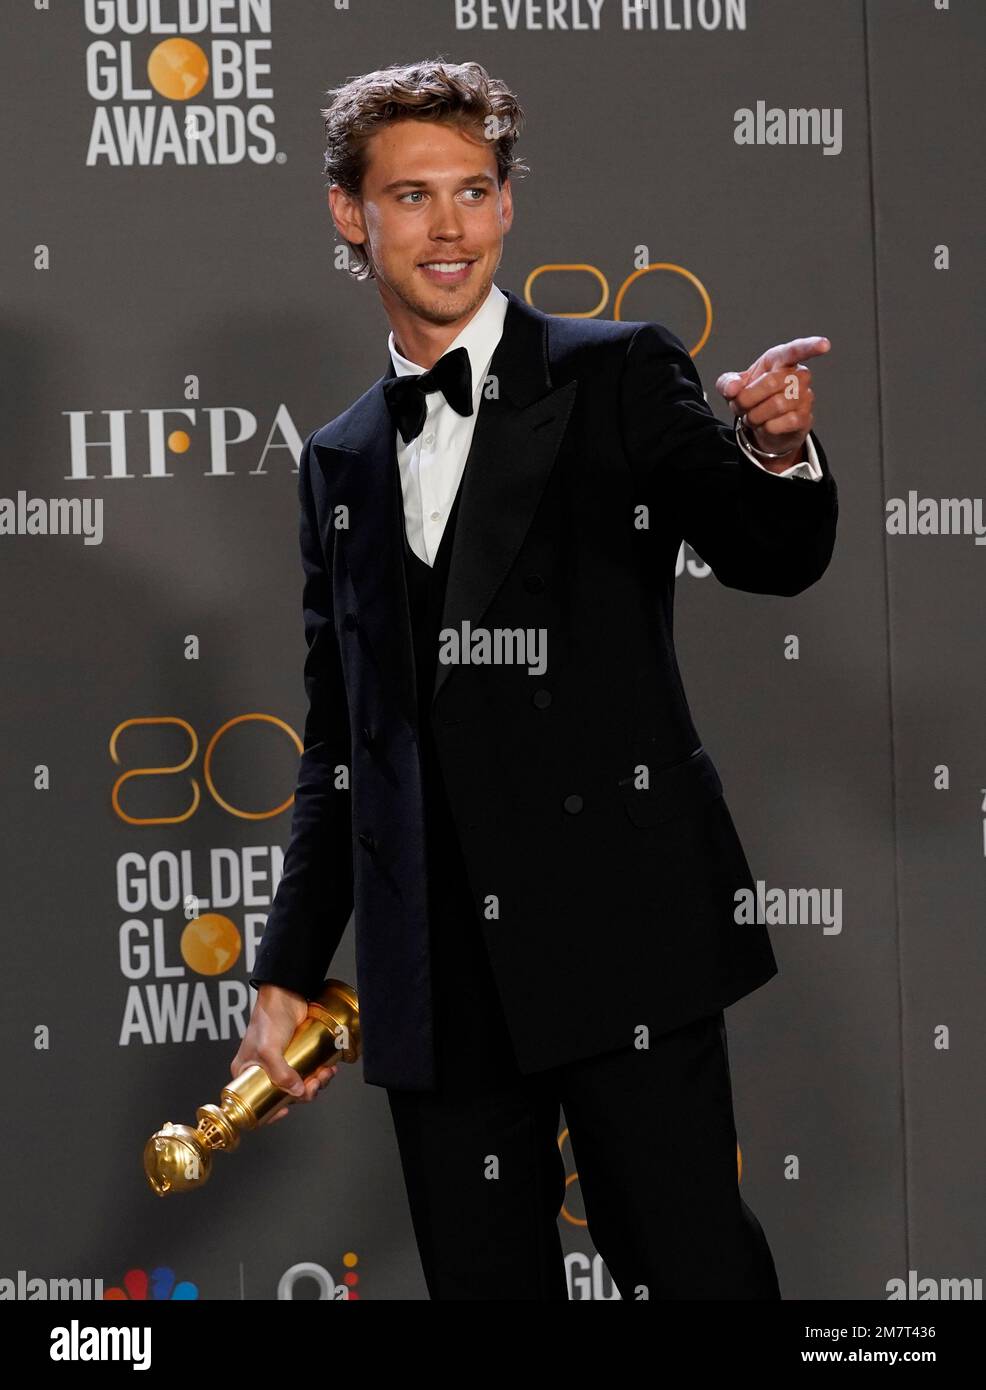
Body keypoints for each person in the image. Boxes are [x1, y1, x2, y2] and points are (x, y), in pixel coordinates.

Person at [231, 58, 838, 1300]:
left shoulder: (614, 370)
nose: (447, 226)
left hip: (621, 933)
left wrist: (774, 454)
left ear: (507, 203)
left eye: (473, 190)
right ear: (352, 214)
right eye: (410, 196)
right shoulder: (338, 457)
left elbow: (767, 556)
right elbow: (340, 737)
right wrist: (288, 969)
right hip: (438, 972)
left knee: (693, 1273)